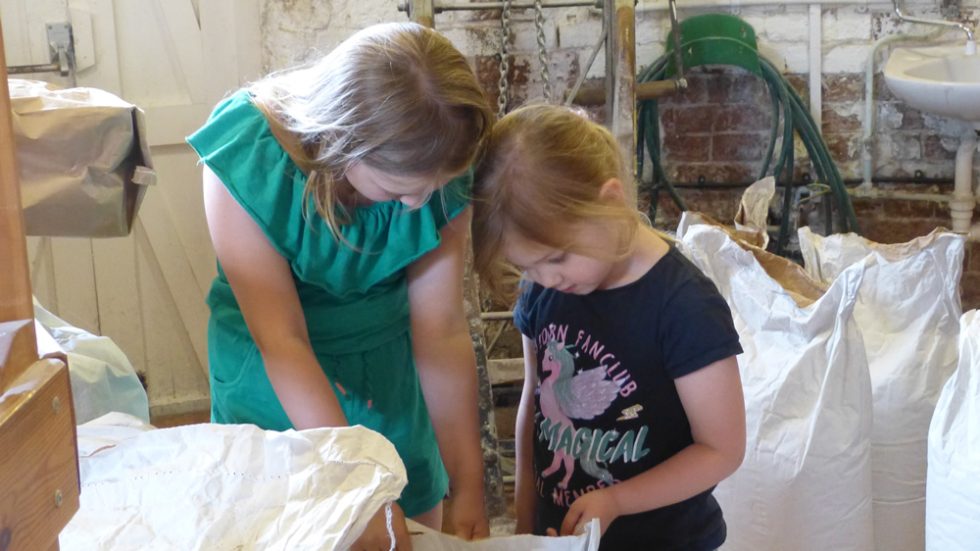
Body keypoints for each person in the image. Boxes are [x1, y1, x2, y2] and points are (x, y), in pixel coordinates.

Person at [187, 22, 494, 551]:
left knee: (413, 524)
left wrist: (468, 480)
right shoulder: (246, 152)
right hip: (276, 377)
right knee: (297, 528)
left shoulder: (434, 160)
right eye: (398, 191)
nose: (421, 205)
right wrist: (359, 488)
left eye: (435, 189)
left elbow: (440, 331)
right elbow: (283, 341)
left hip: (386, 370)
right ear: (340, 141)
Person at [472, 104, 746, 550]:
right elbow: (533, 405)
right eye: (526, 266)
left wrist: (617, 499)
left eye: (556, 258)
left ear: (611, 202)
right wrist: (525, 524)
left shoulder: (685, 306)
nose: (546, 278)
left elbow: (722, 449)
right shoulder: (544, 290)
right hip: (560, 536)